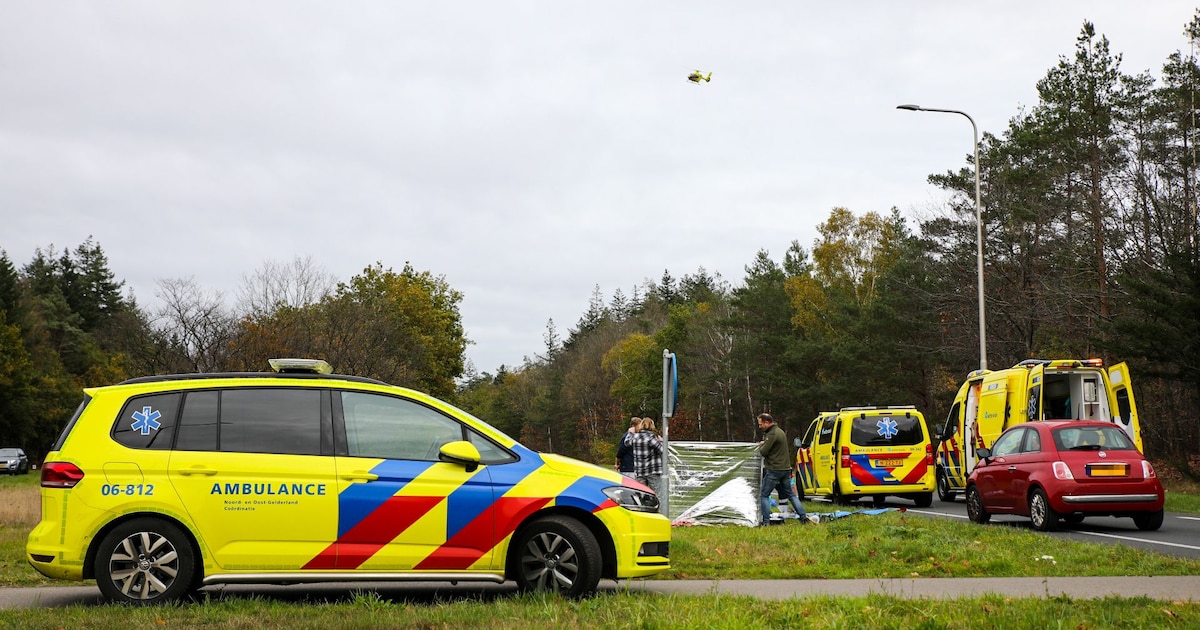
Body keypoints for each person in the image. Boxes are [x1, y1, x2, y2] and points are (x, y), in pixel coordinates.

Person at [756, 413, 815, 525]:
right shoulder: (780, 431)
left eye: (761, 424)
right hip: (785, 469)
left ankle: (766, 522)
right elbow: (774, 446)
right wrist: (766, 443)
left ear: (767, 422)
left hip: (774, 469)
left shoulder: (771, 434)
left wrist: (761, 445)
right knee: (791, 495)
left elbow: (763, 452)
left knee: (764, 495)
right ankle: (803, 517)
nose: (760, 427)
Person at [630, 416, 664, 495]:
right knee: (656, 494)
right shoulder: (651, 438)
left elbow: (626, 442)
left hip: (639, 471)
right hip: (652, 470)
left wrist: (630, 433)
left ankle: (644, 503)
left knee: (641, 494)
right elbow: (662, 450)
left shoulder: (634, 437)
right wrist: (661, 441)